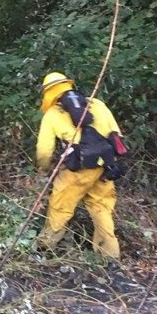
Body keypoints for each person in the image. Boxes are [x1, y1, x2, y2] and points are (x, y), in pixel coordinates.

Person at [34, 72, 127, 260]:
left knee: (60, 207)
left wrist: (42, 169)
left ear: (49, 93)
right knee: (101, 208)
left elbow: (44, 150)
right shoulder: (96, 104)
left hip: (80, 171)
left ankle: (45, 249)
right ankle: (109, 255)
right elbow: (115, 133)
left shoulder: (53, 114)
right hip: (105, 168)